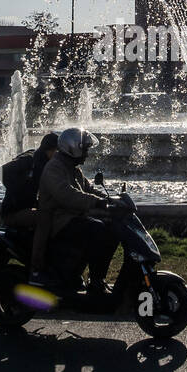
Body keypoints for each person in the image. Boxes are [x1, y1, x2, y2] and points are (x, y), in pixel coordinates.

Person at [34, 127, 118, 296]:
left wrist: (111, 199)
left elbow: (89, 189)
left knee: (112, 230)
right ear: (74, 149)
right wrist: (97, 203)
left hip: (71, 219)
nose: (87, 154)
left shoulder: (73, 168)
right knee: (97, 230)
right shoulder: (55, 168)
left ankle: (95, 279)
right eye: (85, 150)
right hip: (57, 221)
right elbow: (68, 195)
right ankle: (95, 284)